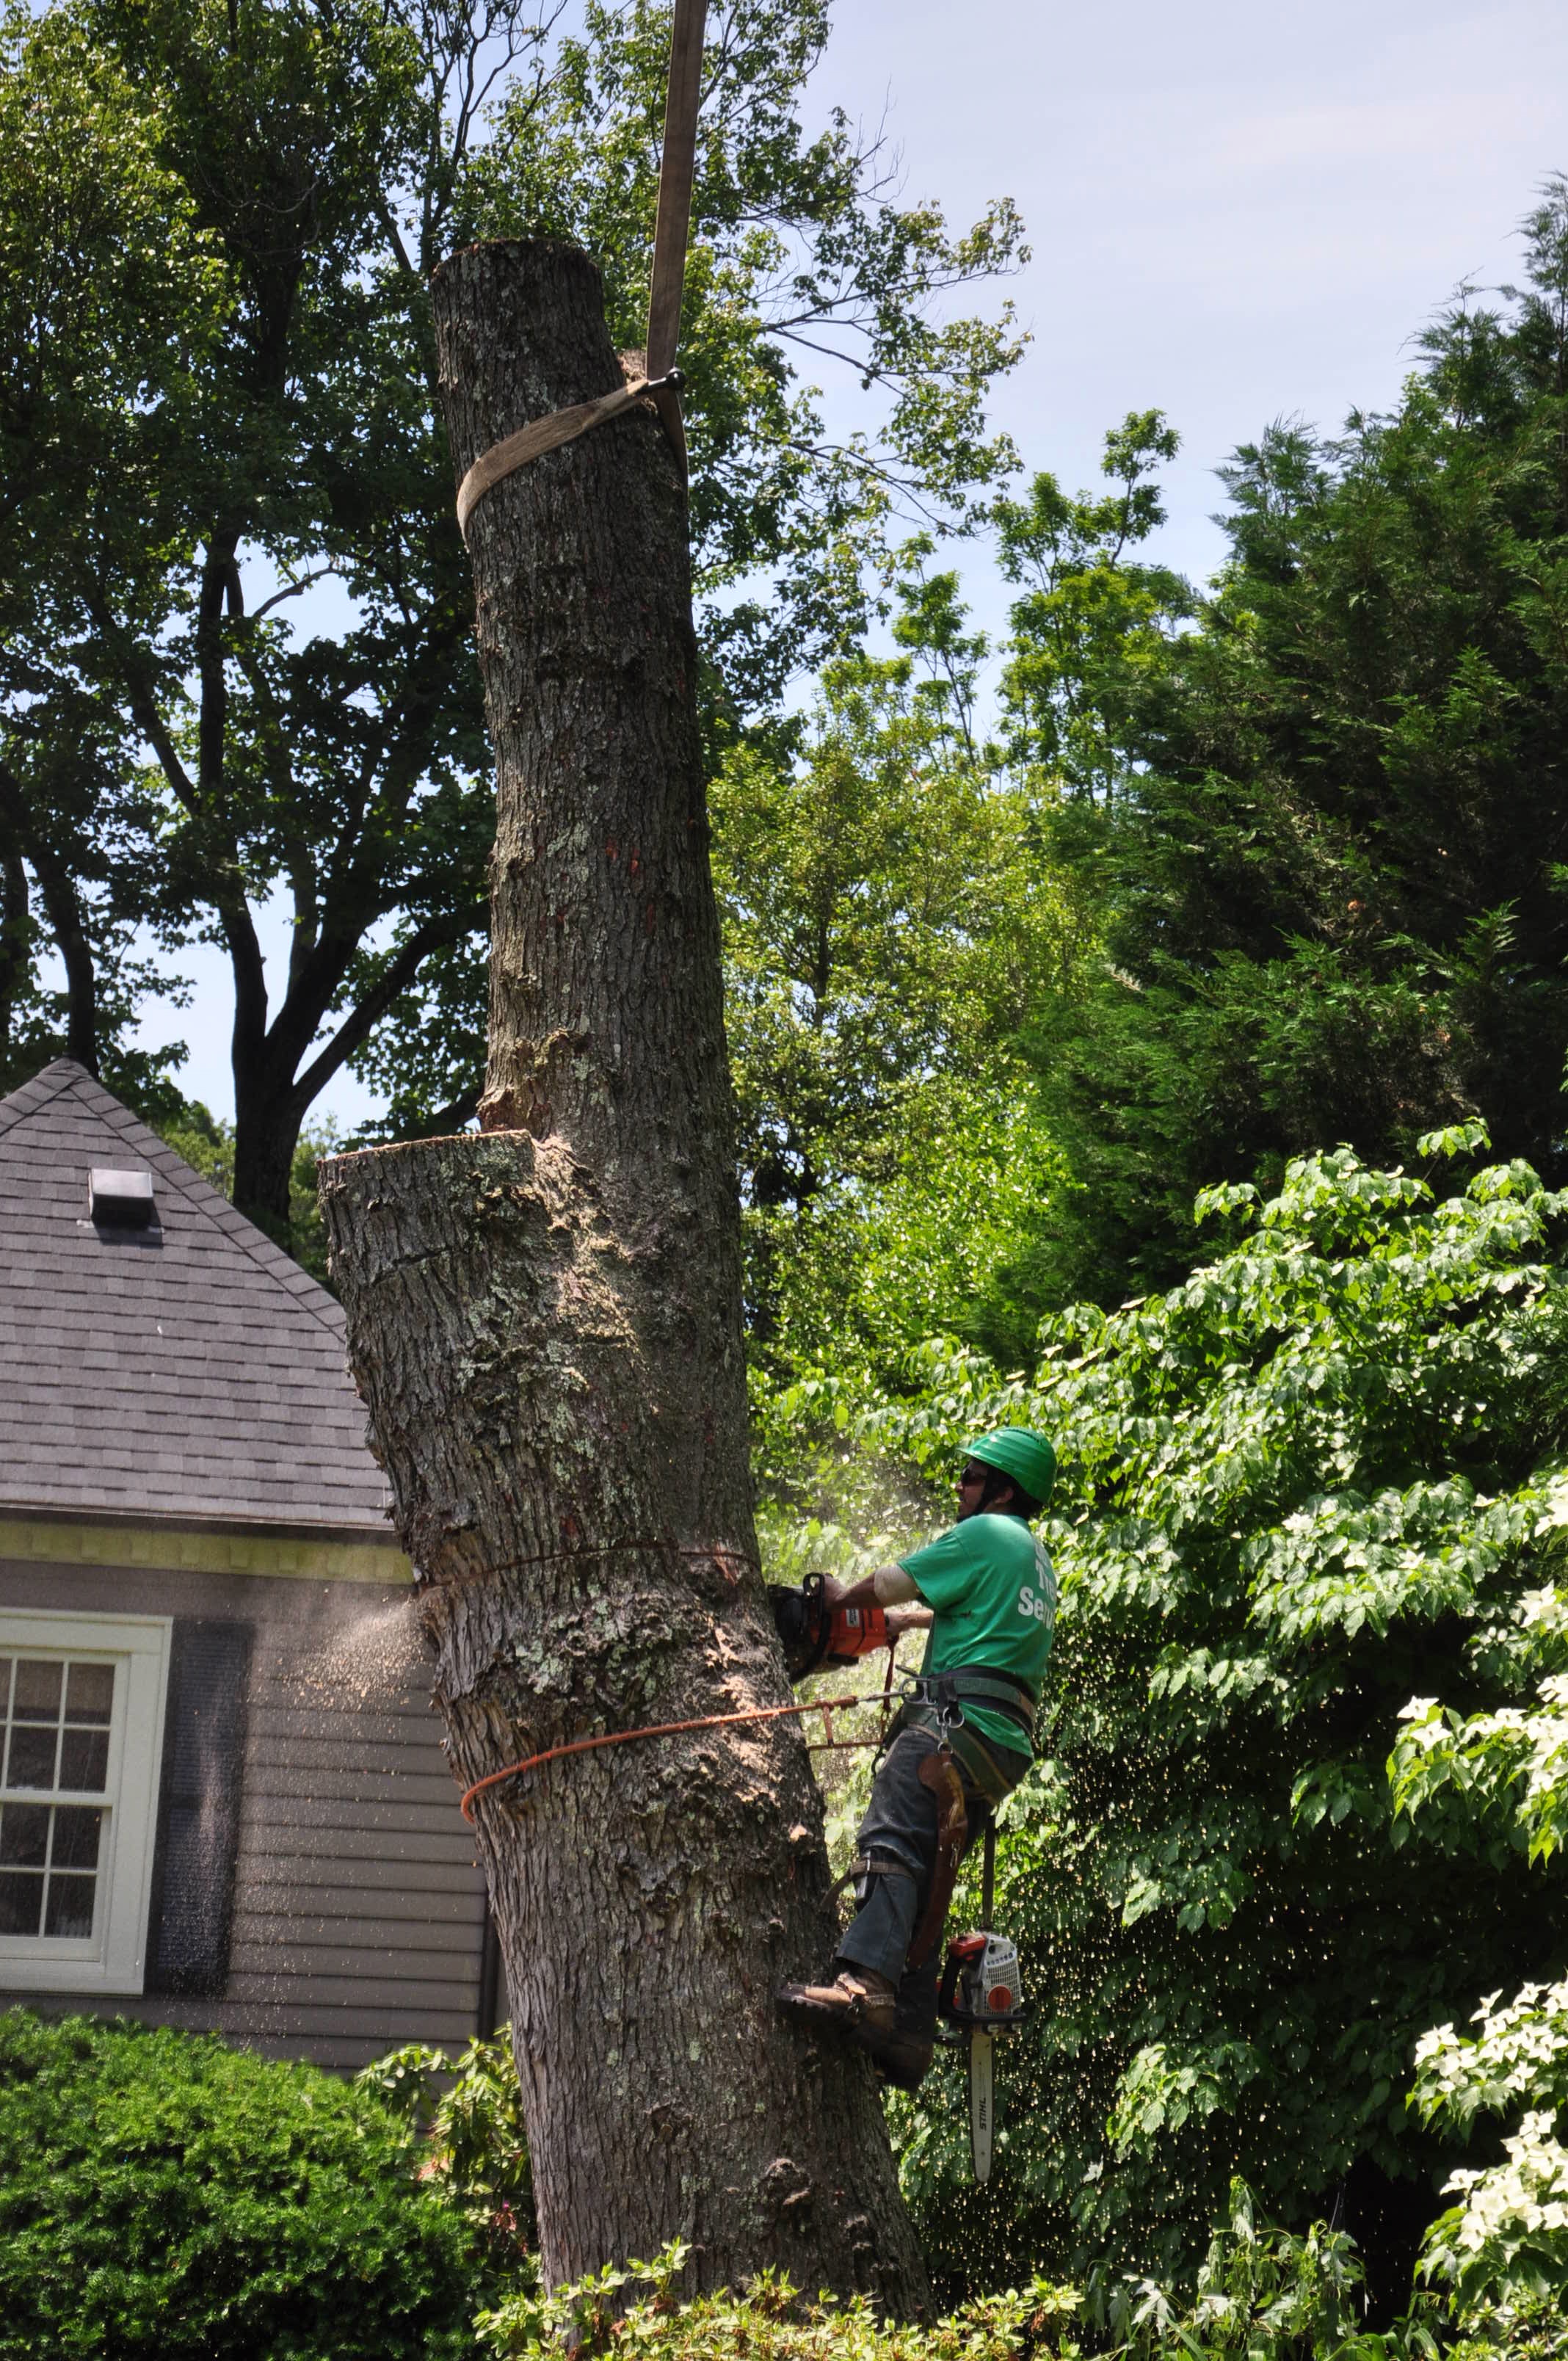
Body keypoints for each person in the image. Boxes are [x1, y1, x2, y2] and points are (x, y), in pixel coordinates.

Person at [777, 1426, 1058, 2089]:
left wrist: (839, 1599)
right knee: (932, 1870)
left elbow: (891, 1582)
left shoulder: (985, 1532)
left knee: (892, 1837)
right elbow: (968, 1613)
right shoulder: (1034, 1560)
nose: (961, 1487)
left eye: (972, 1477)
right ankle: (907, 2032)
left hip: (951, 1727)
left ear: (1002, 1490)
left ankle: (865, 1985)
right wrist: (905, 1625)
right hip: (1000, 1747)